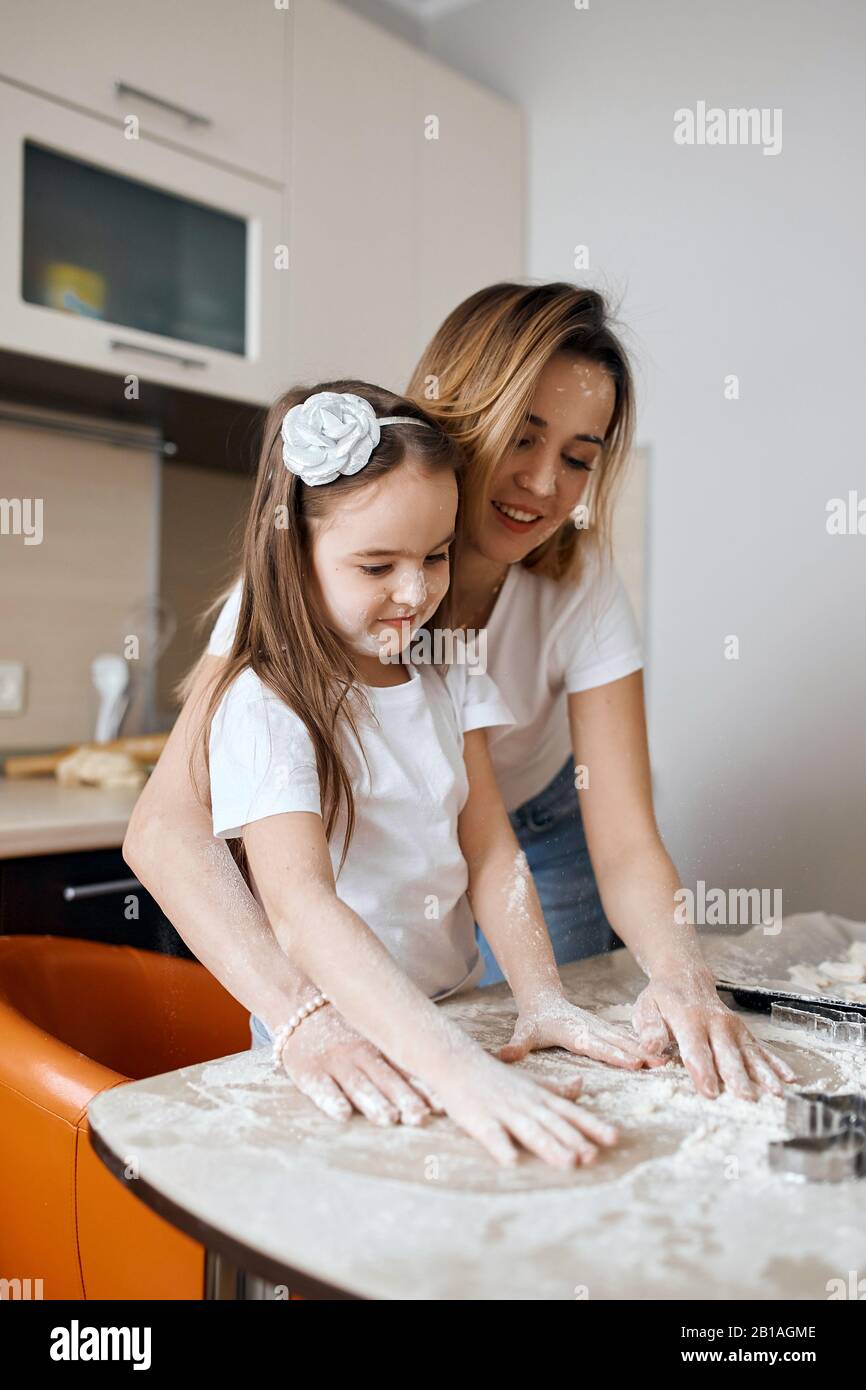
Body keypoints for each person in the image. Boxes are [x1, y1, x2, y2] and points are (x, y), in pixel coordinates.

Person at [125, 283, 794, 1121]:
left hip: (539, 826)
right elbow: (170, 833)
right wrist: (300, 1018)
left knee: (566, 1061)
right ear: (460, 416)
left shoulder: (567, 594)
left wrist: (680, 977)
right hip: (362, 853)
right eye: (523, 435)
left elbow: (614, 837)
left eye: (581, 457)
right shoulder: (300, 598)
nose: (547, 484)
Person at [198, 381, 662, 1167]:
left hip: (449, 1010)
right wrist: (452, 1070)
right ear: (294, 554)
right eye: (377, 565)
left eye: (436, 556)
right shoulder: (266, 703)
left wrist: (539, 996)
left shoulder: (446, 674)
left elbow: (491, 852)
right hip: (336, 1034)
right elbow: (299, 908)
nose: (415, 593)